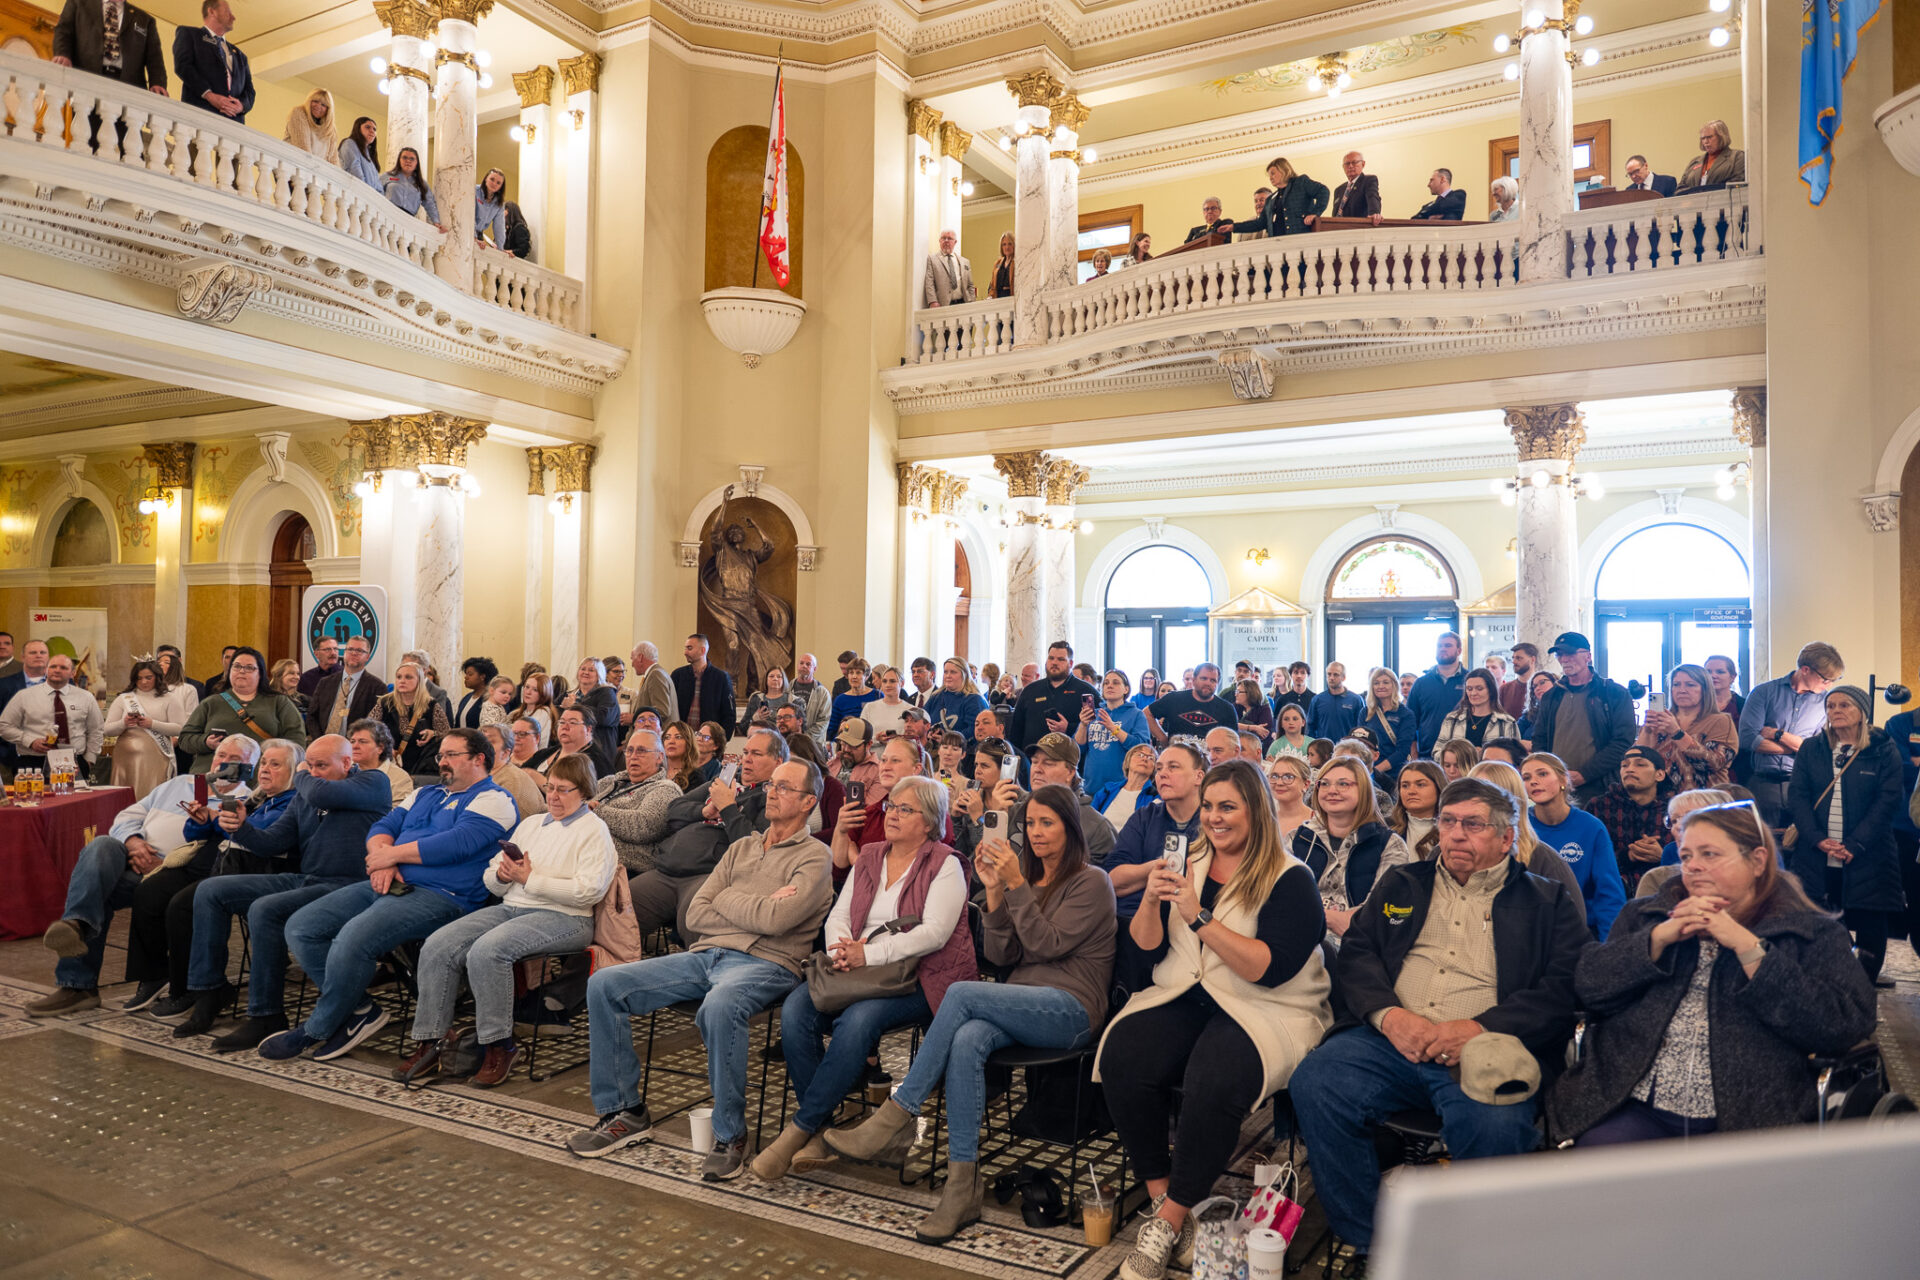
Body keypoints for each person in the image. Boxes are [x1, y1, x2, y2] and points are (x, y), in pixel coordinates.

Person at [1288, 778, 1588, 1275]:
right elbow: (1359, 954)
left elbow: (1563, 987)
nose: (1456, 834)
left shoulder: (1545, 901)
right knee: (1316, 1083)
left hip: (1487, 1047)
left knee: (1496, 1125)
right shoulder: (1404, 883)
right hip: (1393, 1039)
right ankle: (1370, 1242)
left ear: (1506, 838)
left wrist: (1479, 1028)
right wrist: (1390, 1016)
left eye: (1473, 825)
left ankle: (1469, 1254)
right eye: (1448, 822)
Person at [825, 784, 1116, 1241]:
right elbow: (1002, 955)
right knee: (966, 1039)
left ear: (1071, 829)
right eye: (1030, 823)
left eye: (1047, 823)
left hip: (1071, 1010)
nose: (1035, 833)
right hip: (1019, 1002)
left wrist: (1014, 884)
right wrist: (996, 893)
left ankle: (898, 1113)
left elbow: (1047, 946)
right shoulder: (1028, 880)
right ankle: (963, 1188)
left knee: (961, 994)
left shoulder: (1092, 881)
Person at [1099, 760, 1331, 1280]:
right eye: (1208, 806)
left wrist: (1197, 916)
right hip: (1190, 988)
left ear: (1257, 811)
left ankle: (1167, 1221)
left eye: (1228, 807)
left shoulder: (1289, 877)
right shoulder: (1189, 860)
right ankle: (1165, 1201)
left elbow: (1266, 970)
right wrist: (1151, 900)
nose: (1213, 817)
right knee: (1123, 1054)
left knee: (1215, 1078)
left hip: (1265, 1002)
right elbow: (1147, 947)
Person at [1548, 801, 1875, 1145]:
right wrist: (1655, 941)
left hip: (1753, 1110)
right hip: (1635, 1098)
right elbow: (1589, 987)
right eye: (1686, 856)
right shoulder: (1647, 915)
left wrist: (1749, 948)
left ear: (1757, 861)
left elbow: (1843, 1024)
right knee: (1602, 1156)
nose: (1693, 866)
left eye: (1709, 854)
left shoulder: (1810, 931)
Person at [567, 758, 832, 1179]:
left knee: (720, 1007)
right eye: (772, 785)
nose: (771, 793)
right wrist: (755, 905)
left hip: (767, 963)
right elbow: (696, 912)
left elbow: (778, 921)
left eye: (784, 787)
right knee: (605, 983)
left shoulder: (815, 856)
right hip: (708, 955)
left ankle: (730, 1135)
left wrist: (729, 902)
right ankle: (624, 1112)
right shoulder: (742, 847)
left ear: (808, 802)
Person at [755, 775, 972, 1181]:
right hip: (856, 968)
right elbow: (839, 913)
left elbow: (934, 934)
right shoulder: (871, 854)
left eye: (905, 809)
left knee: (858, 1021)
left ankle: (798, 1131)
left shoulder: (946, 864)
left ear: (929, 821)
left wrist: (867, 954)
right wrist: (842, 951)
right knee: (797, 1009)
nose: (892, 815)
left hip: (919, 978)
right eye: (891, 806)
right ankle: (820, 1130)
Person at [260, 728, 517, 1061]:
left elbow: (456, 844)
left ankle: (317, 1029)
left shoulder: (495, 799)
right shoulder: (425, 793)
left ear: (479, 759)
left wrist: (391, 856)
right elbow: (382, 827)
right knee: (302, 926)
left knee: (352, 939)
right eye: (440, 755)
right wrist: (384, 861)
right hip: (390, 881)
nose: (442, 762)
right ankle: (358, 1009)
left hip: (444, 895)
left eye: (451, 755)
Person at [398, 754, 617, 1087]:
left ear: (585, 791)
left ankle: (499, 1045)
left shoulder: (594, 830)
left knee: (488, 951)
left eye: (563, 790)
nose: (554, 797)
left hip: (567, 917)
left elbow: (588, 892)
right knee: (438, 945)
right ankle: (432, 1040)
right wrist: (502, 875)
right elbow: (492, 876)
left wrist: (530, 879)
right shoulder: (532, 824)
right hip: (513, 906)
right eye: (550, 788)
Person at [173, 734, 391, 1044]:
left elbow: (320, 792)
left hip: (350, 885)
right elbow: (272, 842)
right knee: (211, 890)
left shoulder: (372, 782)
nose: (312, 772)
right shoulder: (307, 793)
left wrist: (300, 773)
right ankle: (209, 992)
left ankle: (266, 1014)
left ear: (347, 762)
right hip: (309, 878)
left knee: (266, 909)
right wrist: (241, 828)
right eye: (309, 766)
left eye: (321, 765)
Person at [26, 734, 264, 1017]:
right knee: (101, 845)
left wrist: (163, 863)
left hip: (174, 873)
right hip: (131, 858)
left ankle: (77, 982)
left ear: (250, 767)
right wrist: (133, 842)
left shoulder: (243, 803)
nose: (223, 763)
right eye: (221, 756)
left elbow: (221, 851)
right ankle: (76, 927)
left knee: (97, 894)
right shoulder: (181, 783)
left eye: (234, 760)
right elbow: (127, 816)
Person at [1786, 685, 1908, 985]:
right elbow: (1798, 796)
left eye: (1844, 705)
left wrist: (1855, 843)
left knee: (1870, 920)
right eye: (1831, 706)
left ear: (1862, 712)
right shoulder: (1812, 748)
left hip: (1868, 852)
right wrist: (1817, 838)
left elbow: (1888, 800)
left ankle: (1864, 987)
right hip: (1817, 852)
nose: (1836, 711)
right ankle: (1833, 985)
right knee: (1820, 917)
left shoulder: (1882, 748)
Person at [634, 727, 786, 944]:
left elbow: (755, 847)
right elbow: (674, 808)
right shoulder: (727, 779)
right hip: (669, 868)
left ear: (778, 762)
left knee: (695, 918)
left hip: (709, 874)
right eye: (745, 752)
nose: (747, 759)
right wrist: (703, 811)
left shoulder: (772, 797)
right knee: (619, 909)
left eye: (756, 754)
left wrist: (727, 807)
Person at [1293, 756, 1411, 944]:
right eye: (1324, 784)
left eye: (1343, 784)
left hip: (1359, 944)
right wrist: (1330, 917)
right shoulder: (1297, 838)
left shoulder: (1390, 844)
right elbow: (1281, 898)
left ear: (1363, 790)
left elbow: (1381, 908)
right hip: (1299, 937)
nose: (1332, 790)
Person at [1740, 641, 1844, 832]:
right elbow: (1748, 739)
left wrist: (1777, 734)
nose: (1829, 685)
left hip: (1802, 784)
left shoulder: (1826, 702)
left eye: (1833, 680)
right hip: (1763, 783)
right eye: (1825, 679)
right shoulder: (1764, 692)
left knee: (1802, 839)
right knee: (1762, 839)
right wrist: (1799, 746)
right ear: (1805, 670)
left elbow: (1819, 749)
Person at [1523, 752, 1627, 940]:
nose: (1533, 782)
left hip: (1580, 931)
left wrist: (1609, 947)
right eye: (1526, 777)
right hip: (1530, 931)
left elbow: (1609, 893)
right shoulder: (1520, 827)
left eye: (1542, 774)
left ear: (1563, 779)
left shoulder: (1591, 827)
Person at [1526, 631, 1635, 803]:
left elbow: (1622, 742)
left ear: (1588, 656)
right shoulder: (1551, 696)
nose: (1564, 659)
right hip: (1556, 785)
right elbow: (1539, 739)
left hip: (1600, 787)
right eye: (1559, 654)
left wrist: (1585, 774)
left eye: (1570, 653)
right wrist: (1547, 773)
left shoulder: (1613, 693)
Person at [1467, 759, 1588, 904]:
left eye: (1485, 797)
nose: (1474, 804)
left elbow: (1573, 915)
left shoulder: (1545, 861)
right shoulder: (1450, 853)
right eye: (1470, 794)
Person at [1588, 746, 1677, 895]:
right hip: (1609, 891)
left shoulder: (1676, 808)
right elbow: (1586, 857)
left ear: (1660, 775)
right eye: (1624, 765)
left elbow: (1692, 861)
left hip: (1665, 893)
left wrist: (1663, 856)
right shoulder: (1599, 806)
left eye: (1640, 764)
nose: (1629, 769)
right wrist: (1628, 856)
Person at [0, 650, 104, 777]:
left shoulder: (86, 697)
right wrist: (30, 741)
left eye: (63, 667)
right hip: (33, 763)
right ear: (45, 670)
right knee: (32, 791)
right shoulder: (24, 696)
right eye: (53, 666)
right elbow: (4, 726)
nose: (57, 670)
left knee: (75, 792)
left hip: (74, 762)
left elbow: (96, 730)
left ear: (73, 673)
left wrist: (89, 760)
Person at [593, 729, 683, 875]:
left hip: (625, 868)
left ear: (660, 757)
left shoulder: (666, 789)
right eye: (629, 750)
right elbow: (578, 800)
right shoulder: (611, 781)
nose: (633, 756)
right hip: (588, 853)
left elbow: (643, 826)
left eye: (641, 751)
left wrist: (596, 811)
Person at [1640, 663, 1737, 790]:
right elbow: (1637, 759)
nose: (1682, 690)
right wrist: (1648, 730)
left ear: (1705, 690)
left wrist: (1677, 733)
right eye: (1676, 685)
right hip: (1661, 798)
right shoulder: (1662, 720)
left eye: (1690, 685)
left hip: (1704, 798)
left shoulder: (1720, 721)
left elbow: (1713, 764)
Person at [104, 657, 184, 795]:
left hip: (157, 756)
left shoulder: (169, 699)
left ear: (157, 677)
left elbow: (180, 728)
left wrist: (152, 724)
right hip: (125, 758)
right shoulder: (124, 699)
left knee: (151, 793)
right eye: (139, 678)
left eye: (148, 677)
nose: (144, 682)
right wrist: (123, 723)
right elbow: (107, 730)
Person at [51, 0, 167, 94]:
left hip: (129, 91)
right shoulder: (78, 3)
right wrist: (62, 54)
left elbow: (155, 57)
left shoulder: (145, 20)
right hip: (85, 81)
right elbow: (63, 31)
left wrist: (158, 83)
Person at [1007, 641, 1099, 754]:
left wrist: (1068, 728)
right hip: (1032, 759)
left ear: (1070, 663)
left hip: (1069, 759)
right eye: (1051, 658)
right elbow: (1016, 730)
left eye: (1061, 659)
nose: (1054, 662)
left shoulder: (1086, 691)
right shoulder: (1030, 690)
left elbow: (1097, 728)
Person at [1078, 668, 1152, 801]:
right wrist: (1083, 725)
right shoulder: (1094, 714)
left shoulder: (1136, 714)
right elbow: (1078, 748)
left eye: (1116, 682)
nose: (1109, 685)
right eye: (1106, 683)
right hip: (1092, 788)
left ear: (1126, 689)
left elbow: (1141, 747)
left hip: (1121, 789)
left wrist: (1113, 728)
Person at [172, 0, 250, 121]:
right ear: (212, 12)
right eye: (228, 12)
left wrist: (241, 106)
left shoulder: (240, 56)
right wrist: (209, 95)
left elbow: (250, 91)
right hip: (199, 118)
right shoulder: (189, 34)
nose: (233, 17)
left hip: (233, 125)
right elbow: (183, 66)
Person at [375, 659, 449, 778]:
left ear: (419, 680)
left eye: (408, 677)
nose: (402, 681)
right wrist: (384, 747)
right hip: (389, 765)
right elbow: (369, 730)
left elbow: (447, 734)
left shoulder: (431, 705)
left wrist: (433, 733)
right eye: (399, 677)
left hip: (421, 768)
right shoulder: (385, 703)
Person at [305, 635, 380, 740]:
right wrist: (320, 740)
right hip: (324, 742)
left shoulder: (377, 687)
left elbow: (375, 725)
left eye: (359, 651)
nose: (354, 653)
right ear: (344, 653)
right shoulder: (325, 682)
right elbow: (312, 716)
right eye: (350, 649)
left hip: (355, 745)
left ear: (367, 656)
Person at [1145, 660, 1237, 745]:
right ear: (1194, 680)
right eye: (1203, 678)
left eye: (1213, 680)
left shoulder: (1227, 709)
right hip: (1176, 754)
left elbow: (1232, 742)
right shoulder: (1174, 698)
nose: (1208, 683)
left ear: (1217, 684)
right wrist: (1163, 739)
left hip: (1209, 756)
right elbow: (1146, 713)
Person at [672, 633, 738, 743]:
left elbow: (729, 714)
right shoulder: (678, 675)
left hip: (709, 741)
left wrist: (721, 740)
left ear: (702, 650)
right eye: (685, 648)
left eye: (689, 648)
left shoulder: (721, 677)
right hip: (682, 740)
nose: (685, 652)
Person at [1434, 666, 1519, 750]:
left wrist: (1485, 754)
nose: (1473, 693)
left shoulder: (1507, 722)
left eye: (1479, 689)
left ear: (1491, 690)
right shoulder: (1452, 719)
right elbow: (1437, 751)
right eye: (1469, 689)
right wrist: (1459, 755)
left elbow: (1515, 755)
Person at [1359, 667, 1416, 784]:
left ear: (1394, 685)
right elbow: (1359, 743)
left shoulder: (1405, 714)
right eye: (1376, 683)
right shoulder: (1365, 712)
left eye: (1385, 682)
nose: (1380, 686)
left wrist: (1376, 770)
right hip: (1368, 772)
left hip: (1394, 775)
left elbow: (1402, 750)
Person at [479, 723, 545, 820]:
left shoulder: (511, 781)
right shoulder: (481, 774)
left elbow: (491, 822)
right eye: (480, 740)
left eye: (490, 742)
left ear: (506, 752)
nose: (481, 746)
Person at [345, 718, 413, 804]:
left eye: (362, 742)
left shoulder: (399, 779)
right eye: (352, 741)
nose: (355, 746)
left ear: (380, 748)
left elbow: (397, 811)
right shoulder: (344, 771)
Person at [1096, 743, 1160, 830]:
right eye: (1140, 755)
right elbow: (1090, 822)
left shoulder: (1156, 798)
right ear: (1128, 760)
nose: (1145, 759)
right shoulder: (1107, 790)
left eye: (1151, 758)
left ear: (1154, 768)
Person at [1391, 761, 1447, 861]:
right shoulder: (1386, 828)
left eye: (1420, 785)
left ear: (1438, 788)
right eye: (1405, 786)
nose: (1411, 791)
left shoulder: (1453, 829)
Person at [1260, 156, 1330, 235]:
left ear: (1283, 170)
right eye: (1269, 175)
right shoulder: (1273, 198)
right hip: (1277, 240)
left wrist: (1315, 213)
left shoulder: (1300, 182)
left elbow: (1323, 191)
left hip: (1300, 237)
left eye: (1273, 173)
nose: (1270, 178)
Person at [382, 147, 446, 231]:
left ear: (416, 163)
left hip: (408, 222)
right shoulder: (387, 176)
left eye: (412, 159)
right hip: (388, 216)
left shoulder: (422, 184)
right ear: (399, 160)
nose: (408, 161)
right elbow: (376, 191)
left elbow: (430, 204)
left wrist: (436, 222)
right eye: (404, 157)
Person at [924, 655, 988, 737]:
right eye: (945, 672)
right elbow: (923, 720)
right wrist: (928, 734)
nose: (948, 676)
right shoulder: (936, 696)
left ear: (964, 675)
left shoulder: (974, 700)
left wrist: (947, 740)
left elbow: (974, 729)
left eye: (953, 672)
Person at [1677, 119, 1747, 191]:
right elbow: (1680, 187)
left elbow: (1737, 183)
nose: (1706, 141)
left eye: (1709, 137)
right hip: (1695, 198)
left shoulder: (1737, 157)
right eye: (1703, 138)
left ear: (1721, 137)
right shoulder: (1694, 162)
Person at [1308, 662, 1365, 741]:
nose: (1331, 678)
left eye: (1336, 675)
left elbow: (1361, 728)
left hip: (1348, 746)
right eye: (1329, 674)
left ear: (1343, 677)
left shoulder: (1356, 700)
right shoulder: (1317, 700)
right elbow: (1310, 727)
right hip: (1323, 747)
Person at [628, 641, 678, 726]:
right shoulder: (656, 673)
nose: (632, 664)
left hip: (657, 733)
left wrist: (634, 718)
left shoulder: (655, 675)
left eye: (632, 658)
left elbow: (662, 711)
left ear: (640, 657)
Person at [922, 228, 975, 306]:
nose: (946, 241)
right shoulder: (932, 259)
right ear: (940, 241)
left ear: (955, 242)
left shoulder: (965, 261)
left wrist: (972, 301)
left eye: (949, 238)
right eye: (943, 238)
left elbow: (970, 285)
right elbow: (929, 283)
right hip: (943, 304)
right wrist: (933, 301)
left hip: (964, 302)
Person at [282, 88, 336, 160]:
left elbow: (333, 159)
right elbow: (302, 148)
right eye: (315, 101)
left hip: (312, 166)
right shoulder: (299, 113)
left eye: (323, 105)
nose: (318, 106)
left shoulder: (330, 129)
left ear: (328, 109)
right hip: (292, 162)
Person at [1330, 150, 1383, 223]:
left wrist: (1374, 213)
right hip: (1337, 227)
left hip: (1357, 226)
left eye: (1354, 162)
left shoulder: (1368, 181)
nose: (1350, 166)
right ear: (1343, 167)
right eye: (1347, 163)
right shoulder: (1339, 189)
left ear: (1363, 164)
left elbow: (1372, 197)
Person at [862, 665, 913, 738]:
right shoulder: (869, 707)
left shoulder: (910, 709)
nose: (888, 685)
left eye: (892, 681)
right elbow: (861, 736)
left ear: (902, 683)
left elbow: (913, 738)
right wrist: (877, 738)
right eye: (884, 681)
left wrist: (895, 740)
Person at [742, 664, 796, 730]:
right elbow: (743, 728)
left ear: (783, 680)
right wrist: (755, 719)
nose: (775, 679)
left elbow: (800, 727)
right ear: (766, 679)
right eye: (771, 676)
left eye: (779, 676)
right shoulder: (756, 699)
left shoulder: (793, 700)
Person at [512, 670, 556, 748]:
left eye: (535, 690)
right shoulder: (519, 712)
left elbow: (524, 736)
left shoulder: (542, 712)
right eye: (527, 687)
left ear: (543, 693)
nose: (528, 692)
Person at [451, 656, 497, 729]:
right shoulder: (466, 698)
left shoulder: (491, 699)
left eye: (470, 674)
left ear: (482, 677)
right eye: (466, 674)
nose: (466, 677)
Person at [1499, 642, 1540, 719]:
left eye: (1519, 658)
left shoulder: (1542, 687)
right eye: (1513, 658)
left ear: (1532, 660)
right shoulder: (1505, 689)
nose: (1514, 662)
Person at [339, 116, 381, 188]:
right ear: (358, 128)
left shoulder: (370, 156)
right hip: (356, 192)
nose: (372, 131)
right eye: (367, 127)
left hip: (369, 194)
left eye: (374, 129)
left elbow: (378, 185)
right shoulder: (349, 143)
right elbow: (355, 173)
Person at [1704, 653, 1745, 721]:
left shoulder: (1744, 705)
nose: (1713, 676)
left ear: (1732, 677)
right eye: (1708, 672)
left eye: (1720, 672)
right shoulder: (1694, 703)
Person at [475, 167, 508, 250]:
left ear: (501, 186)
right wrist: (473, 237)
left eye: (498, 183)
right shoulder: (474, 191)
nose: (494, 184)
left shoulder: (499, 204)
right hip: (466, 229)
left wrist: (501, 249)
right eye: (492, 179)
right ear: (486, 178)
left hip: (479, 234)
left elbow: (499, 227)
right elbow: (468, 216)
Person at [1232, 678, 1274, 743]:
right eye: (1236, 691)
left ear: (1249, 693)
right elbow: (1230, 725)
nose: (1235, 695)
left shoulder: (1263, 709)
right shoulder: (1235, 706)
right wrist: (1253, 728)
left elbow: (1263, 734)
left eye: (1238, 692)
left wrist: (1240, 726)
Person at [986, 231, 1016, 298]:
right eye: (1004, 244)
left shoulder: (1017, 262)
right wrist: (990, 296)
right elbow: (992, 285)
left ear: (1014, 245)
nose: (1007, 247)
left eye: (1010, 244)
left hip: (1011, 297)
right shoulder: (998, 263)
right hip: (998, 298)